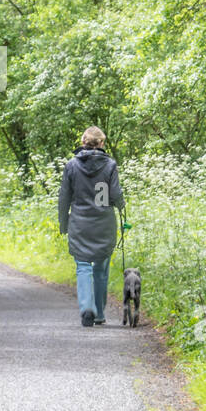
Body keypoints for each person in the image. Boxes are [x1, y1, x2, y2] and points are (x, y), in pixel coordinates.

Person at [57, 126, 124, 327]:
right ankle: (99, 313)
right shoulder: (110, 165)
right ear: (101, 144)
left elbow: (64, 197)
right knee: (101, 268)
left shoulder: (71, 166)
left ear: (83, 142)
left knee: (83, 266)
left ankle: (87, 307)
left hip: (80, 223)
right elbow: (114, 195)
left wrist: (63, 222)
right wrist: (121, 206)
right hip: (104, 223)